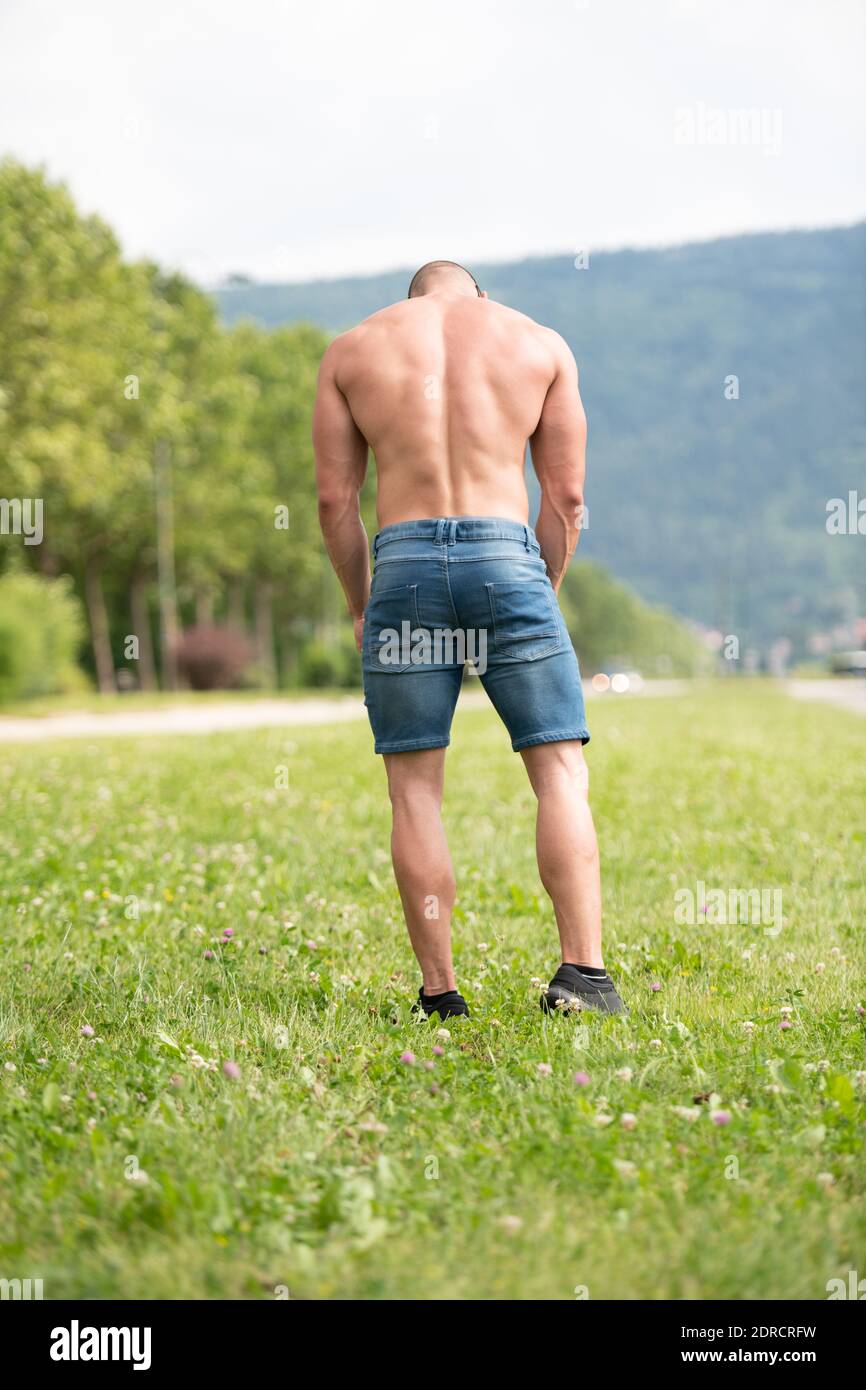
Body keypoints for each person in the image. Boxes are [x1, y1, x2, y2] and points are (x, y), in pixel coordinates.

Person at [312, 259, 624, 1019]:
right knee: (557, 771)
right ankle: (581, 976)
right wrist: (535, 589)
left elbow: (333, 501)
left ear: (411, 296)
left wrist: (362, 603)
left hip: (404, 567)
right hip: (507, 557)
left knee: (414, 790)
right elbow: (568, 496)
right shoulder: (538, 343)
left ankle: (440, 994)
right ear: (478, 294)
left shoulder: (354, 348)